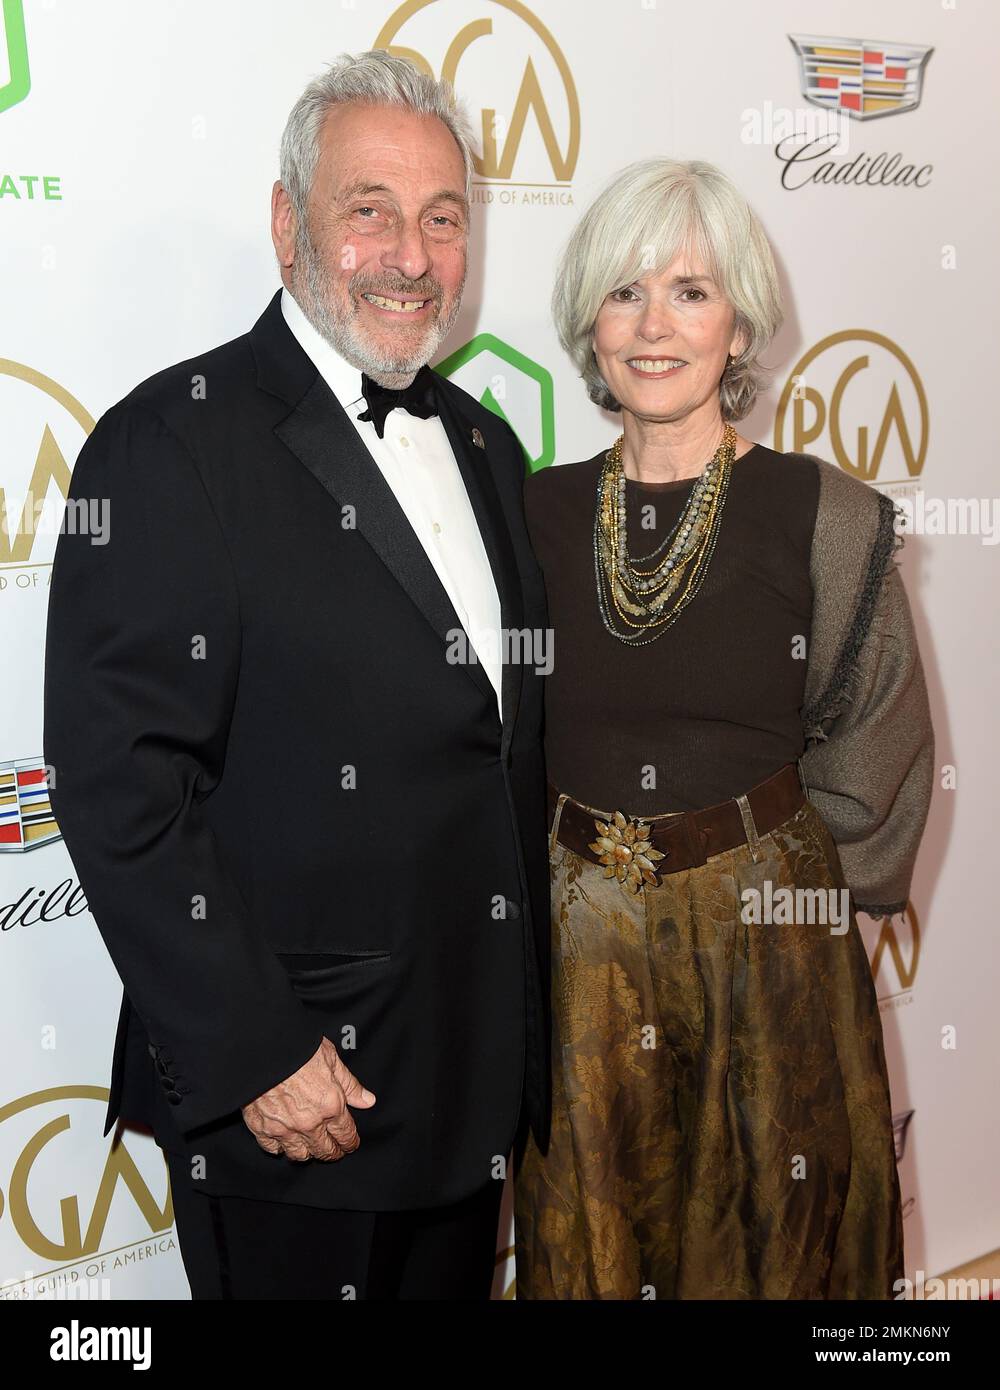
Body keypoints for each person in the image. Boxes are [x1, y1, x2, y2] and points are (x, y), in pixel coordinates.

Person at [43, 50, 551, 1301]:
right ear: (288, 224)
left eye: (443, 218)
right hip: (293, 1104)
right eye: (366, 208)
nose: (410, 253)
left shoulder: (485, 445)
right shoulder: (172, 441)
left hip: (469, 1087)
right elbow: (119, 786)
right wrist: (259, 1050)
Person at [512, 158, 934, 1300]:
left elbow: (875, 746)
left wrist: (787, 919)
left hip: (769, 951)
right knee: (590, 1247)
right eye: (624, 292)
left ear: (738, 320)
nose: (654, 325)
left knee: (776, 1248)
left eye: (690, 292)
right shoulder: (530, 510)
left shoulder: (823, 513)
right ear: (586, 318)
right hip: (576, 957)